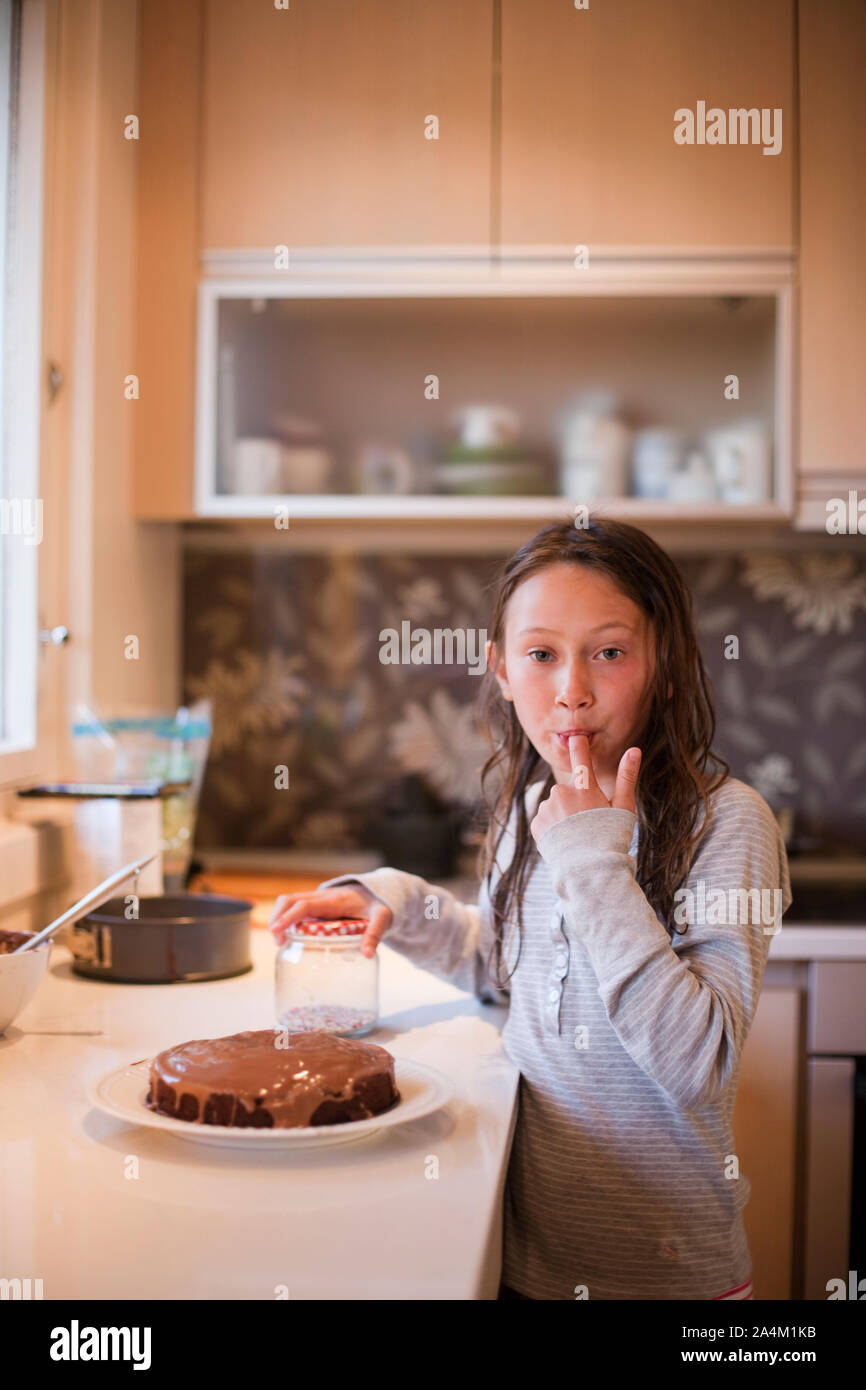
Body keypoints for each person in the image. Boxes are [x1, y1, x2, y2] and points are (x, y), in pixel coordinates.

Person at [269, 516, 792, 1301]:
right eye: (541, 654)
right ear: (503, 672)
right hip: (530, 1269)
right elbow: (501, 972)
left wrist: (592, 859)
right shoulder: (528, 807)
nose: (572, 689)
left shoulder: (726, 822)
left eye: (609, 653)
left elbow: (698, 1065)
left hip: (666, 1278)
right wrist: (395, 900)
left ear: (668, 669)